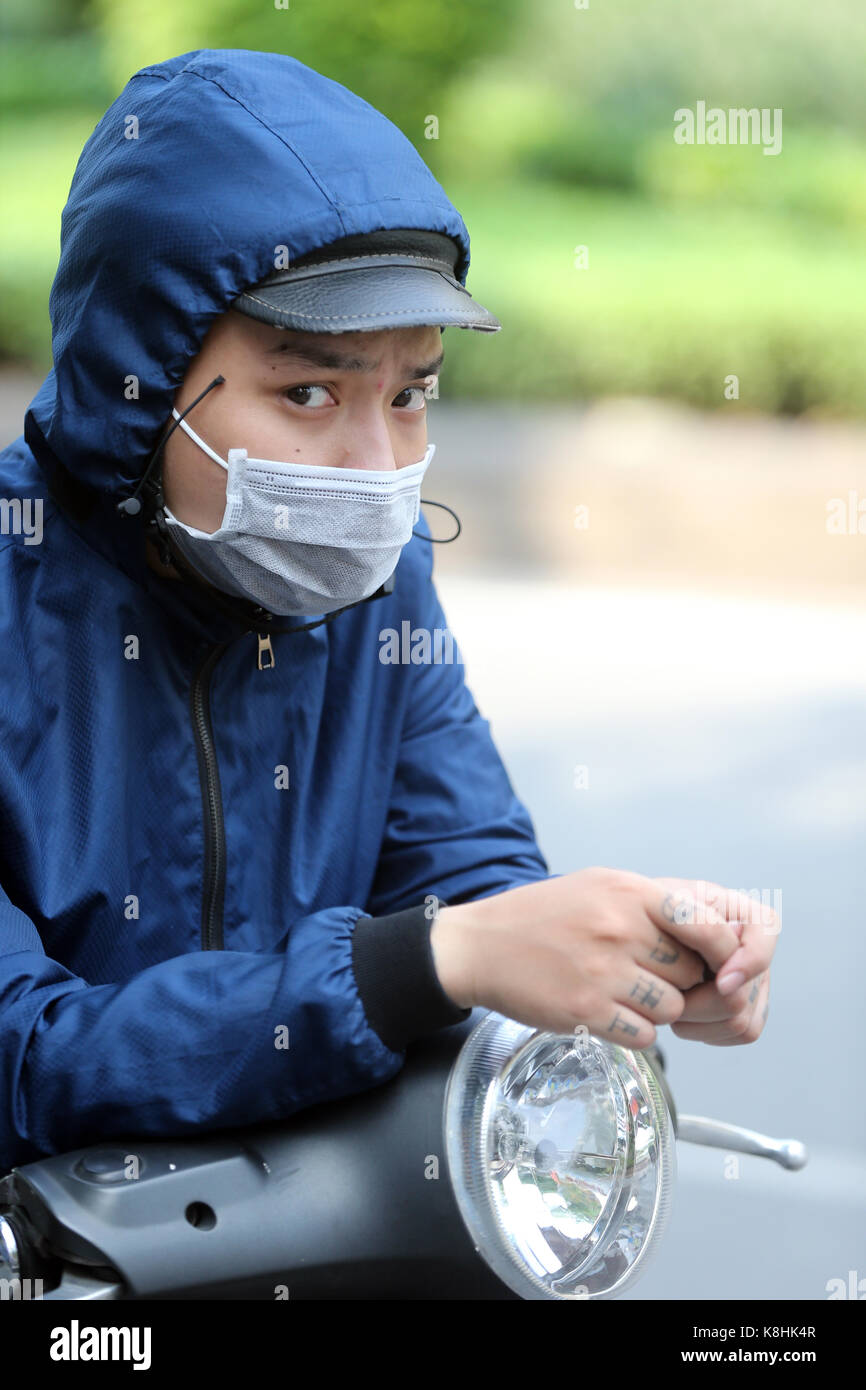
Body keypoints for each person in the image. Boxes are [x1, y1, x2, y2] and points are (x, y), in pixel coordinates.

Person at [0, 49, 776, 1174]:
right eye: (308, 391)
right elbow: (24, 1059)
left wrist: (627, 969)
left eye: (410, 393)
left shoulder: (370, 578)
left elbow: (470, 879)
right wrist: (416, 964)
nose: (373, 469)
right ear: (139, 376)